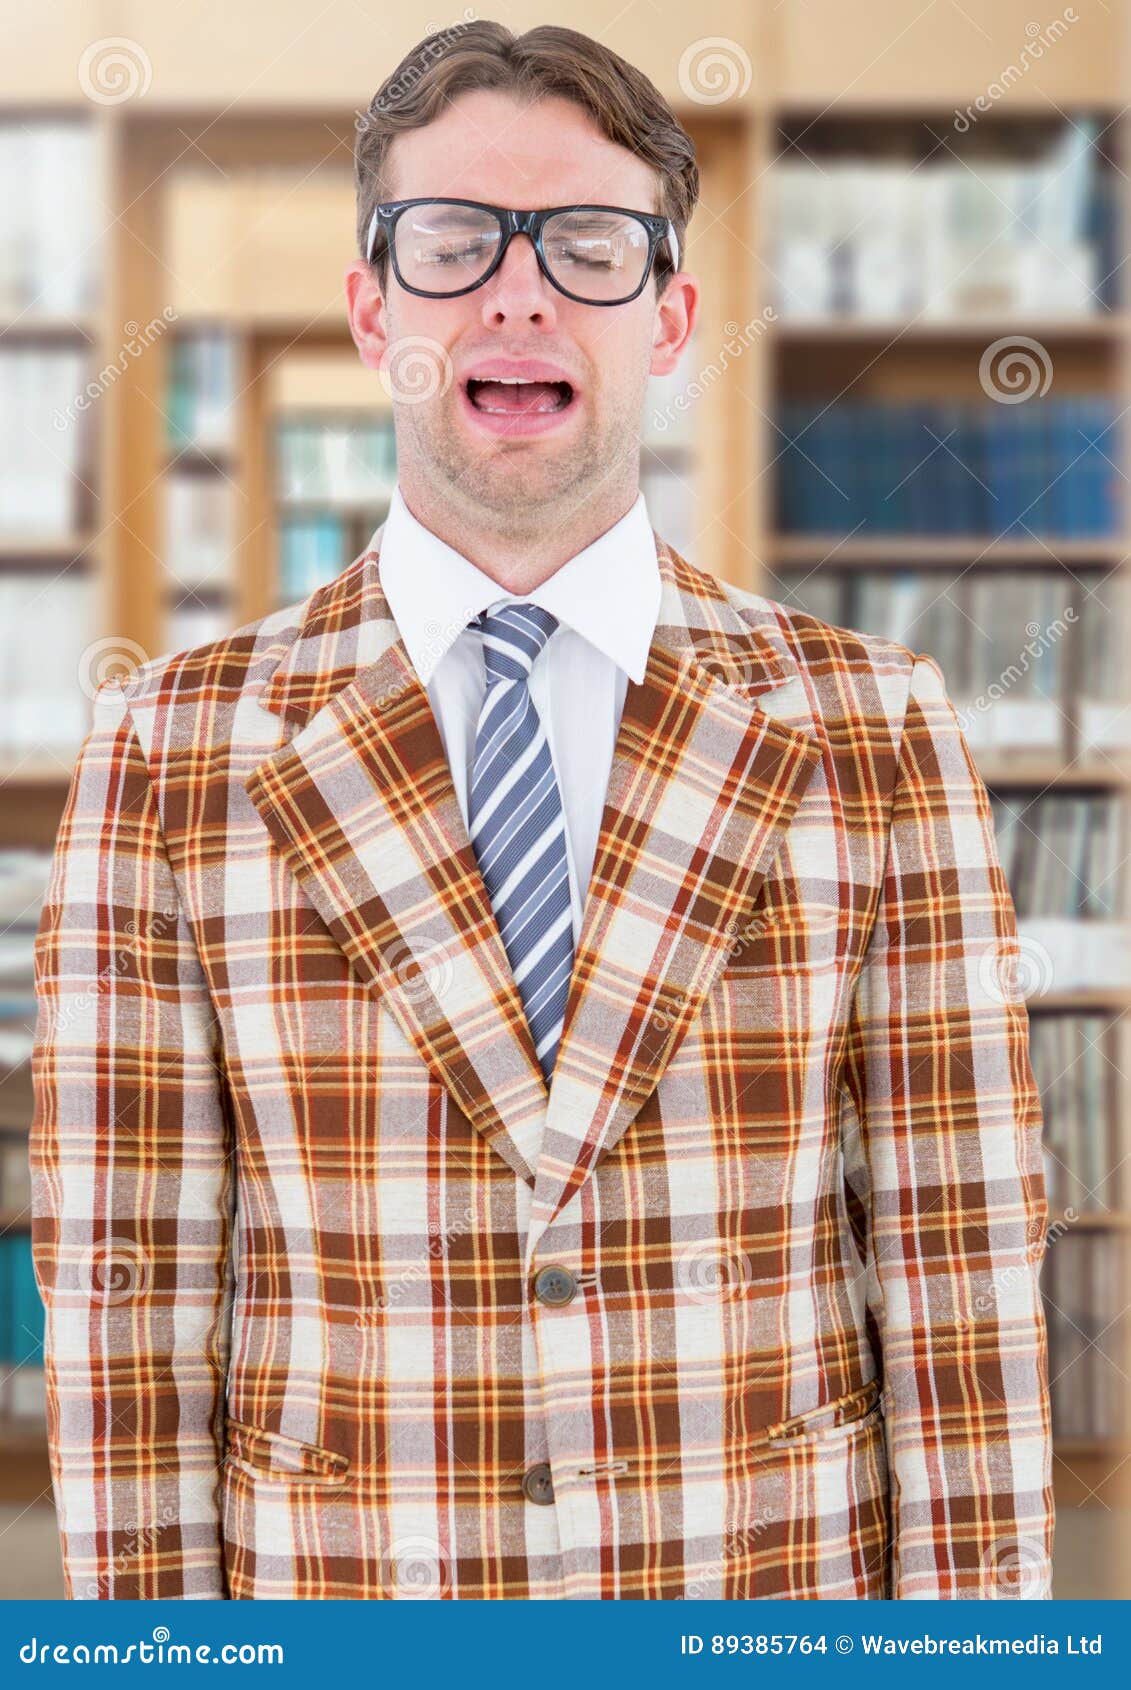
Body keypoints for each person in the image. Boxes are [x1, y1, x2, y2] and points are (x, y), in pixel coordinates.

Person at [30, 20, 1054, 1600]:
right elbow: (128, 1305)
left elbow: (957, 1262)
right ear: (373, 311)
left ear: (670, 319)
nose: (518, 293)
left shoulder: (874, 728)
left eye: (587, 245)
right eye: (454, 243)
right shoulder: (170, 748)